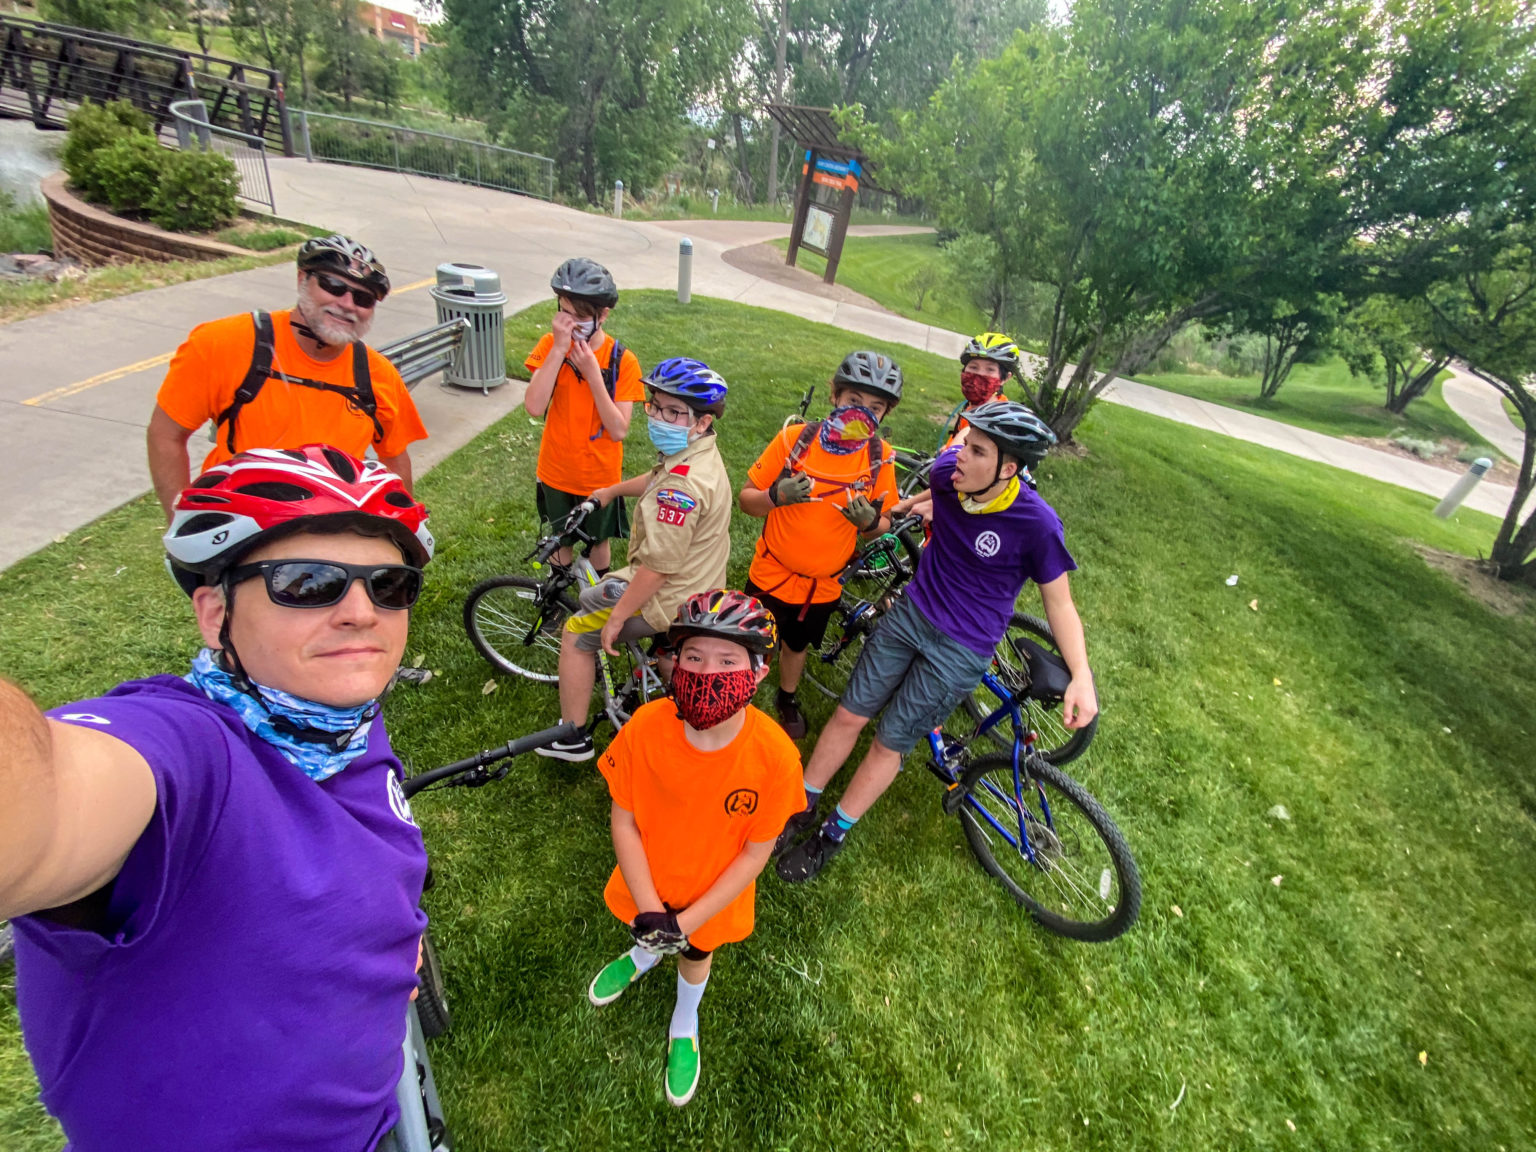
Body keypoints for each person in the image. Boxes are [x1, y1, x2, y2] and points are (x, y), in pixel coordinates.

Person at [0, 444, 436, 1150]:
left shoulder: (335, 721)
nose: (363, 613)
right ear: (213, 613)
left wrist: (386, 948)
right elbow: (44, 797)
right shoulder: (191, 753)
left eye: (389, 585)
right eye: (308, 582)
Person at [774, 402, 1099, 883]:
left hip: (961, 649)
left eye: (978, 450)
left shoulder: (1037, 525)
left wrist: (1083, 678)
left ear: (1008, 469)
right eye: (965, 441)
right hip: (911, 616)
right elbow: (940, 485)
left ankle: (831, 835)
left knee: (889, 744)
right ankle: (801, 805)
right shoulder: (952, 471)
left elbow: (1061, 605)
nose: (959, 455)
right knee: (849, 713)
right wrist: (914, 503)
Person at [588, 590, 803, 1107]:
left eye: (728, 660)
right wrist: (649, 911)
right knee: (651, 935)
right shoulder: (645, 728)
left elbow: (755, 855)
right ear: (673, 662)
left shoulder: (776, 759)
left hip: (711, 902)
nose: (709, 673)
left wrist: (682, 926)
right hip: (647, 885)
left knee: (694, 956)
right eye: (694, 657)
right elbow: (624, 820)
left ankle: (685, 1020)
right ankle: (642, 953)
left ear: (758, 671)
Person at [147, 235, 427, 519]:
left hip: (333, 530)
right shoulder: (222, 343)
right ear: (302, 278)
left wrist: (401, 528)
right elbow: (165, 435)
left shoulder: (377, 373)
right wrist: (180, 523)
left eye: (363, 298)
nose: (347, 304)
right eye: (333, 286)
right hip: (238, 522)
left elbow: (394, 456)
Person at [539, 358, 733, 762]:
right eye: (656, 405)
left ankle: (572, 736)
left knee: (577, 632)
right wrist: (611, 490)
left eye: (674, 412)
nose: (659, 417)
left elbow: (657, 568)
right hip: (701, 583)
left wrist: (616, 618)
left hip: (666, 596)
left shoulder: (681, 487)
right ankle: (672, 682)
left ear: (701, 421)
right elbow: (655, 477)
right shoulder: (697, 455)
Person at [738, 350, 903, 739]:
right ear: (834, 395)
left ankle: (787, 696)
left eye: (875, 409)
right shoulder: (796, 441)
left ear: (886, 415)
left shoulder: (880, 458)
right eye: (853, 403)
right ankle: (742, 689)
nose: (861, 416)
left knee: (797, 644)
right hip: (771, 571)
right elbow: (747, 501)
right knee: (752, 637)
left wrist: (870, 524)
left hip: (822, 584)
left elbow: (885, 524)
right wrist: (774, 496)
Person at [522, 257, 644, 572]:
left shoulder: (622, 360)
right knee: (560, 539)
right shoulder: (551, 345)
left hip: (599, 477)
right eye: (563, 312)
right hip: (556, 470)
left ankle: (595, 601)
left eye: (579, 316)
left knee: (597, 542)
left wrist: (593, 374)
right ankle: (556, 601)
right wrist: (558, 351)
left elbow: (618, 430)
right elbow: (534, 406)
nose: (570, 323)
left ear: (603, 315)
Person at [944, 332, 1021, 448]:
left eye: (990, 370)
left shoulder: (998, 420)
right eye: (973, 367)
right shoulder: (971, 407)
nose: (979, 374)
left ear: (1005, 378)